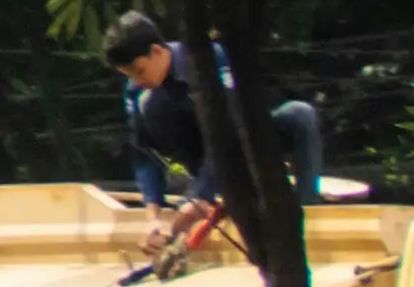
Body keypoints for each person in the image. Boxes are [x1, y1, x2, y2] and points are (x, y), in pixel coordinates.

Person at [108, 11, 324, 211]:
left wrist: (202, 195)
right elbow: (143, 154)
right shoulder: (138, 93)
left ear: (156, 51)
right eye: (128, 75)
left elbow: (227, 131)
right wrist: (153, 211)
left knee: (300, 114)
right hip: (202, 165)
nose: (136, 80)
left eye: (139, 71)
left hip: (241, 143)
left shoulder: (207, 61)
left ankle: (307, 206)